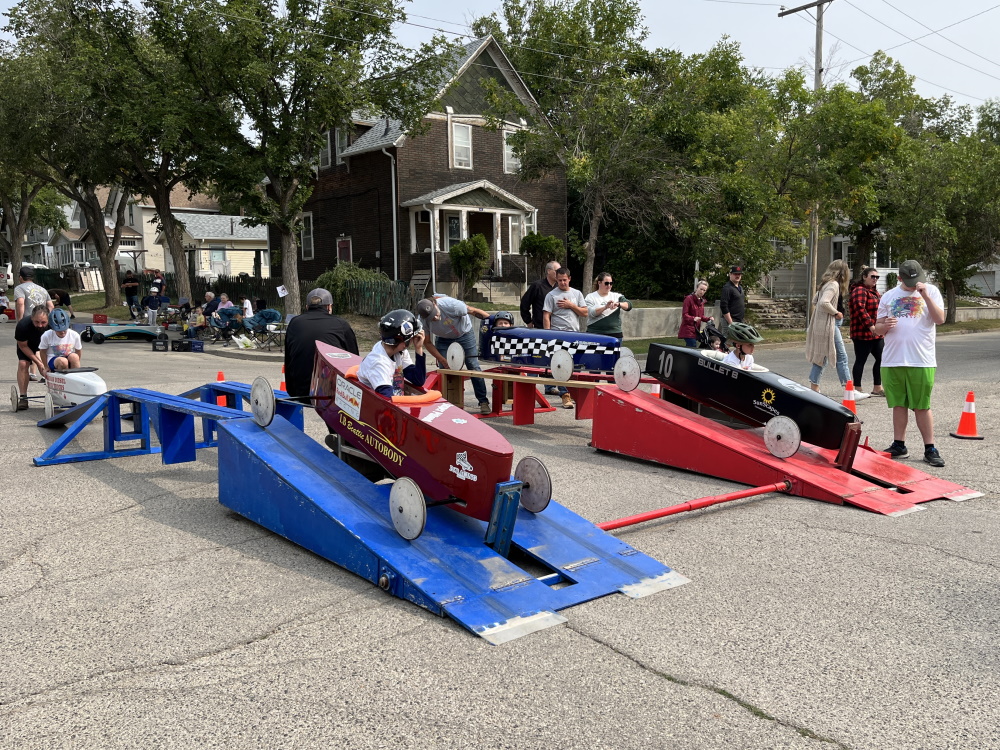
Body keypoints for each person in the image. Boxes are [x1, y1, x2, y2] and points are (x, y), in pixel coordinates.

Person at [873, 260, 947, 467]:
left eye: (917, 280)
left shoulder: (931, 291)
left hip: (921, 359)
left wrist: (924, 296)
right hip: (892, 359)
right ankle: (899, 444)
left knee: (922, 405)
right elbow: (877, 329)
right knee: (898, 403)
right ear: (899, 279)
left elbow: (940, 319)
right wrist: (883, 326)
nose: (915, 285)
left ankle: (930, 448)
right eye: (910, 282)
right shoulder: (888, 296)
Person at [416, 294, 491, 415]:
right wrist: (442, 359)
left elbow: (474, 311)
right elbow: (428, 343)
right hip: (443, 338)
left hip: (464, 333)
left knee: (473, 365)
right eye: (431, 317)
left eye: (435, 313)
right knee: (444, 369)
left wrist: (493, 321)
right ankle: (447, 403)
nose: (435, 317)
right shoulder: (422, 320)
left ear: (435, 304)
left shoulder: (453, 305)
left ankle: (483, 401)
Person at [283, 288, 359, 400]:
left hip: (299, 392)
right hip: (332, 394)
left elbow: (289, 359)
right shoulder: (341, 325)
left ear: (307, 307)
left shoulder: (295, 323)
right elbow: (354, 359)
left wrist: (293, 392)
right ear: (329, 307)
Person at [805, 260, 866, 397]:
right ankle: (849, 391)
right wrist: (836, 313)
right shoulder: (833, 284)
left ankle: (814, 388)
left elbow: (815, 300)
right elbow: (823, 302)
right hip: (830, 324)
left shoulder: (825, 283)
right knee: (842, 357)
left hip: (825, 324)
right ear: (843, 272)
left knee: (823, 357)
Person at [543, 267, 588, 409]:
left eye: (565, 280)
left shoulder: (577, 293)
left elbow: (585, 313)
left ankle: (574, 392)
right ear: (556, 279)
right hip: (558, 335)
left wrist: (571, 305)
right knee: (561, 366)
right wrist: (548, 334)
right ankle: (565, 395)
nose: (562, 283)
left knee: (576, 366)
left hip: (575, 334)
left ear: (569, 279)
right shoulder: (551, 295)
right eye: (560, 280)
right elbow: (546, 315)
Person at [358, 309, 426, 399]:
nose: (413, 340)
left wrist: (419, 348)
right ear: (405, 342)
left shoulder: (399, 352)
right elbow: (389, 399)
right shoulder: (378, 363)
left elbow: (418, 380)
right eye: (413, 338)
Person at [519, 259, 560, 395]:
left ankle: (549, 386)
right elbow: (524, 304)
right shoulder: (537, 286)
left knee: (552, 358)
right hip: (539, 328)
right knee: (536, 357)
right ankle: (531, 387)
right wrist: (529, 322)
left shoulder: (559, 288)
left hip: (555, 329)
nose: (559, 273)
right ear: (549, 271)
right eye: (556, 270)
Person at [849, 267, 885, 397]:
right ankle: (857, 389)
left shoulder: (874, 292)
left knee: (882, 358)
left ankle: (877, 387)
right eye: (872, 276)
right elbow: (860, 309)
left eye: (877, 277)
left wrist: (882, 327)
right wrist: (871, 326)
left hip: (876, 333)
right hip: (862, 333)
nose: (875, 279)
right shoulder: (859, 290)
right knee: (861, 360)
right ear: (864, 277)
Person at [13, 305, 50, 410]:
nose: (40, 325)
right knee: (23, 364)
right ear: (31, 318)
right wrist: (38, 363)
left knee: (53, 365)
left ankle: (56, 395)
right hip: (28, 345)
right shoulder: (23, 325)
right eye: (36, 322)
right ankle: (23, 397)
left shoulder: (53, 324)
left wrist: (45, 364)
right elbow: (23, 346)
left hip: (46, 346)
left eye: (43, 322)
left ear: (48, 319)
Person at [585, 271, 632, 340]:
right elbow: (591, 313)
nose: (609, 286)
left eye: (611, 283)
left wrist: (619, 304)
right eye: (606, 283)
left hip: (614, 333)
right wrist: (605, 307)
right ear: (599, 283)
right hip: (595, 333)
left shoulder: (617, 296)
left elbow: (629, 305)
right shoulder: (590, 297)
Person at [678, 279, 713, 348]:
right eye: (701, 289)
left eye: (704, 290)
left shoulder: (701, 301)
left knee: (691, 348)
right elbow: (685, 315)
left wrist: (708, 319)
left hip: (696, 330)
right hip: (688, 329)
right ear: (697, 288)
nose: (702, 291)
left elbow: (701, 316)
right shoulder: (688, 299)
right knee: (692, 346)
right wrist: (693, 318)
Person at [719, 265, 746, 339]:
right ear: (730, 275)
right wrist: (731, 323)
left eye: (739, 274)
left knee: (738, 342)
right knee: (727, 343)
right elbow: (724, 306)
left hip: (739, 321)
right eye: (735, 274)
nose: (737, 276)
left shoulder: (740, 288)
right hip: (730, 321)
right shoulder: (727, 288)